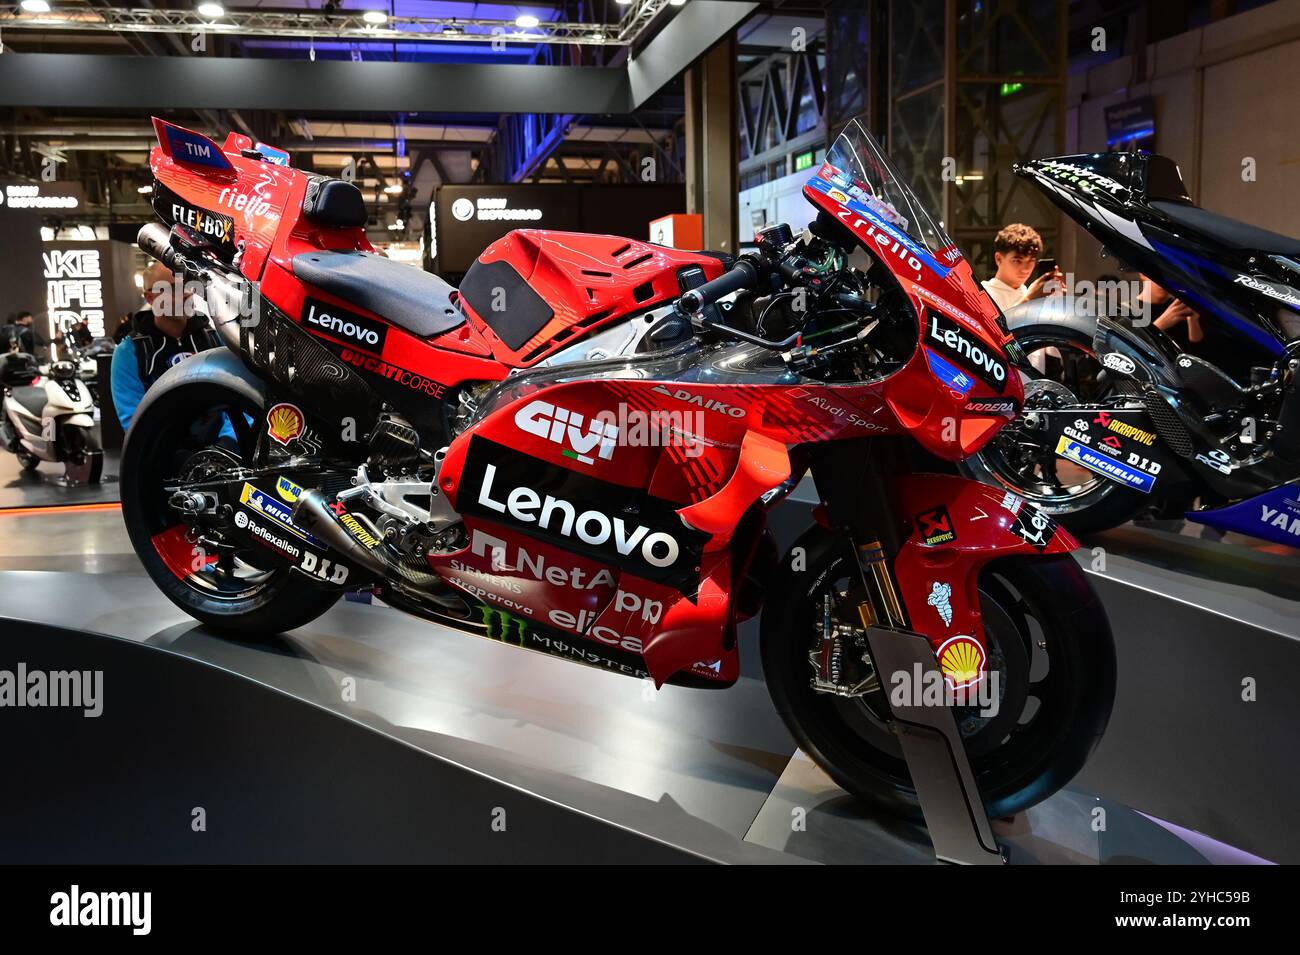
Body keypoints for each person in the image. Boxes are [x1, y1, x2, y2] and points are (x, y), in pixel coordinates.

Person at [110, 261, 218, 431]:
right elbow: (133, 420)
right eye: (173, 288)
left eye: (187, 285)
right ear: (150, 298)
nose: (186, 294)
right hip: (162, 453)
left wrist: (228, 441)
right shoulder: (130, 353)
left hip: (223, 450)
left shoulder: (213, 338)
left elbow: (238, 399)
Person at [981, 224, 1064, 312]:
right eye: (1017, 261)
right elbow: (995, 325)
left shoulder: (1028, 293)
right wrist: (1029, 299)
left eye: (1031, 260)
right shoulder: (983, 293)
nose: (1025, 269)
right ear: (999, 259)